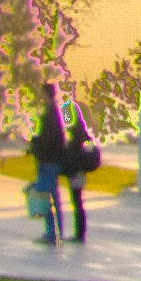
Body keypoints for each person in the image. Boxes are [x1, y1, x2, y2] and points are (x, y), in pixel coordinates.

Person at [26, 77, 95, 245]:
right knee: (63, 198)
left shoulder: (61, 111)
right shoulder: (64, 111)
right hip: (66, 160)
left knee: (54, 197)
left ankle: (59, 234)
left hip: (64, 162)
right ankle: (65, 232)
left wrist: (35, 144)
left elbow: (57, 137)